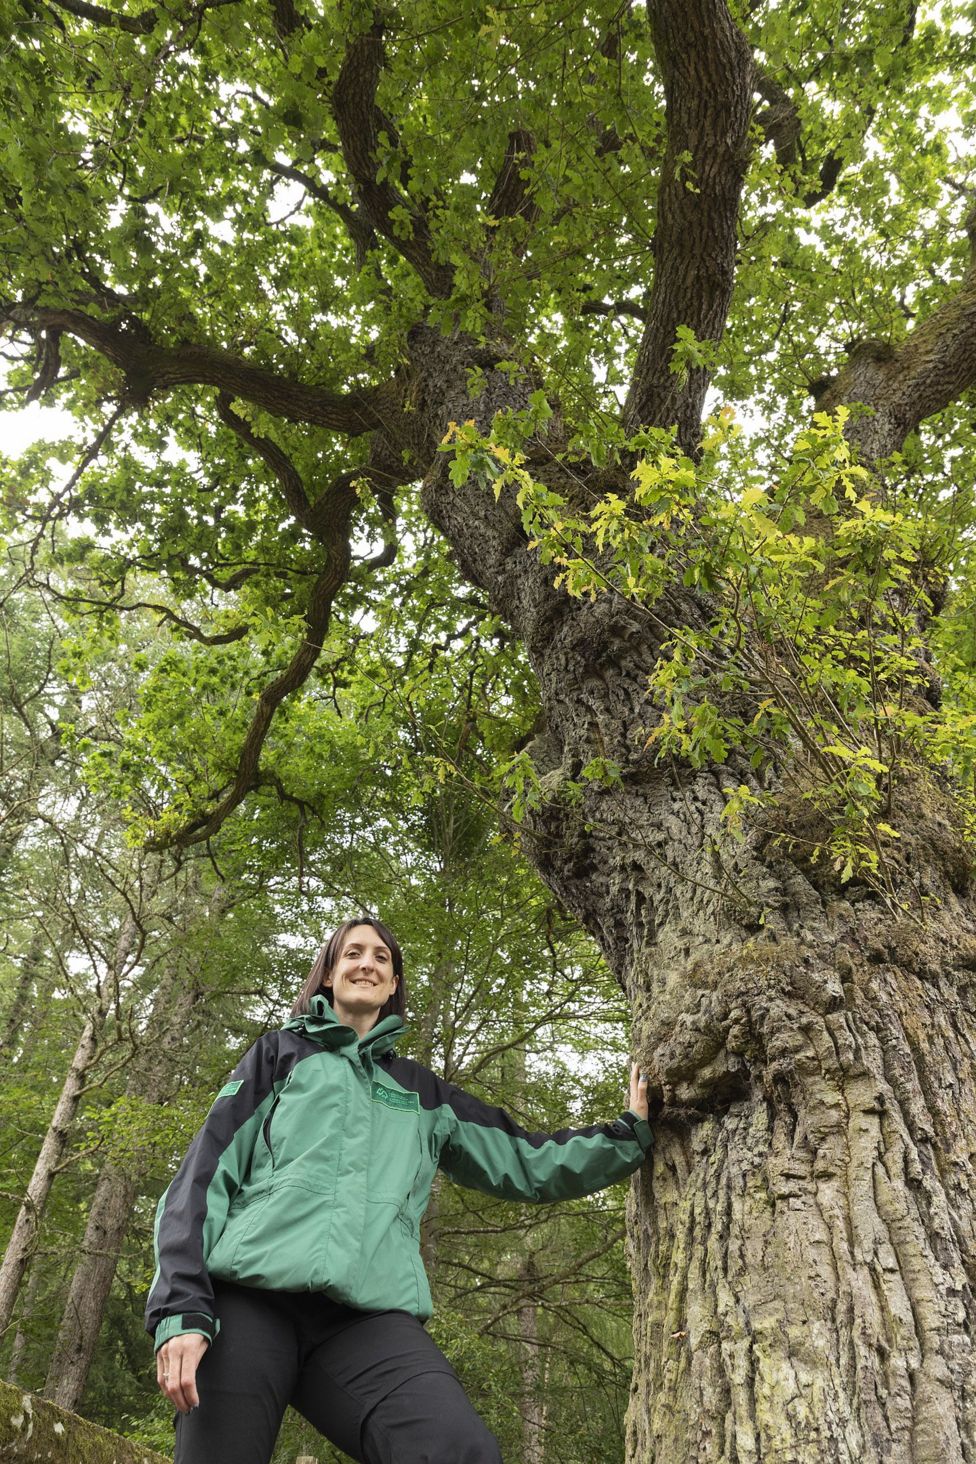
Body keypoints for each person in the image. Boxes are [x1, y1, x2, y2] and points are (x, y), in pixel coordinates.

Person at [146, 916, 653, 1464]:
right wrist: (182, 1311)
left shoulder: (423, 1094)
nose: (367, 963)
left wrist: (626, 1135)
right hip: (247, 1303)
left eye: (382, 958)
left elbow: (527, 1160)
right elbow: (200, 1182)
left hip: (365, 1319)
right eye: (353, 953)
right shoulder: (278, 1056)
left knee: (459, 1451)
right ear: (327, 976)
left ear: (391, 988)